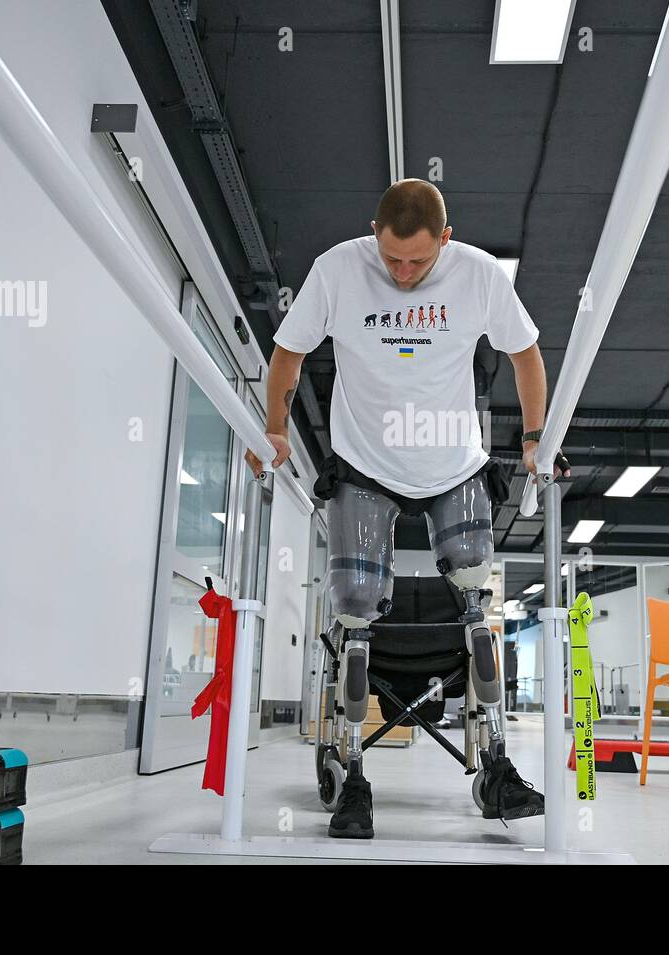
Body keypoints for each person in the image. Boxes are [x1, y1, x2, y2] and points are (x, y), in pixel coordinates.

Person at [246, 179, 568, 839]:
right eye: (391, 258)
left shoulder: (478, 276)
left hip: (453, 464)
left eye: (417, 261)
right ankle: (356, 774)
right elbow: (288, 354)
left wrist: (534, 439)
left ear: (444, 241)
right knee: (355, 612)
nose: (401, 273)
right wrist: (275, 427)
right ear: (374, 234)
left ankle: (498, 765)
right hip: (365, 464)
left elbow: (525, 355)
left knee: (477, 608)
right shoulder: (337, 270)